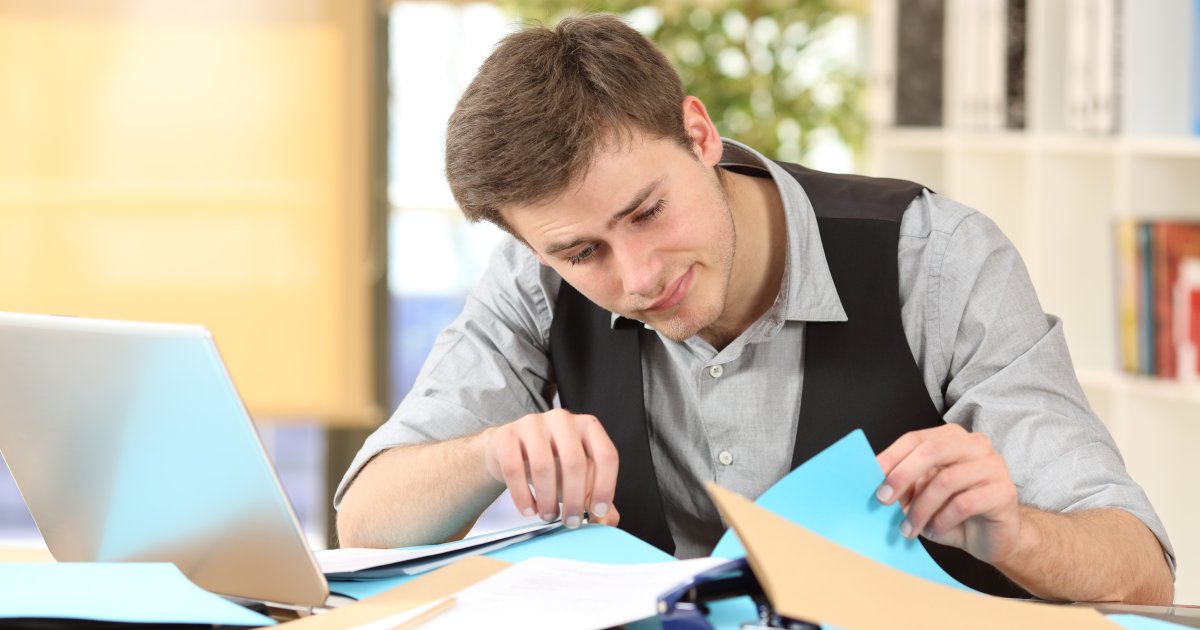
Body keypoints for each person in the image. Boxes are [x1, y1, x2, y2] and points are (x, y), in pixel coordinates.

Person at [335, 13, 1174, 603]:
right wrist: (490, 450)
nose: (636, 274)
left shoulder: (937, 260)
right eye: (581, 251)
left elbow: (1142, 573)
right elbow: (366, 522)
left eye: (647, 212)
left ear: (699, 135)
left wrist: (1015, 533)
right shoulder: (534, 280)